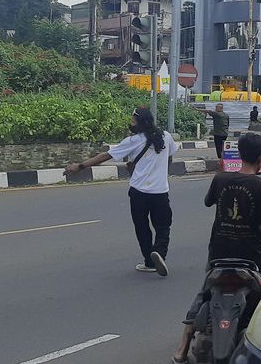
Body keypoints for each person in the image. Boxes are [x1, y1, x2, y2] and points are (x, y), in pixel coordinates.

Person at [172, 133, 261, 364]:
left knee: (205, 290)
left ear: (239, 155)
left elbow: (208, 202)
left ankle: (182, 346)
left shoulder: (220, 179)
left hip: (219, 252)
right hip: (252, 255)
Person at [66, 107, 178, 275]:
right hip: (160, 192)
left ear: (140, 123)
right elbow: (169, 157)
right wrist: (161, 174)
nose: (131, 125)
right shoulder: (166, 136)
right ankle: (159, 253)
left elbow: (105, 156)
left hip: (138, 192)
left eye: (133, 122)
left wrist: (80, 166)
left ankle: (149, 261)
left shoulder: (133, 141)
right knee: (163, 226)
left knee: (142, 227)